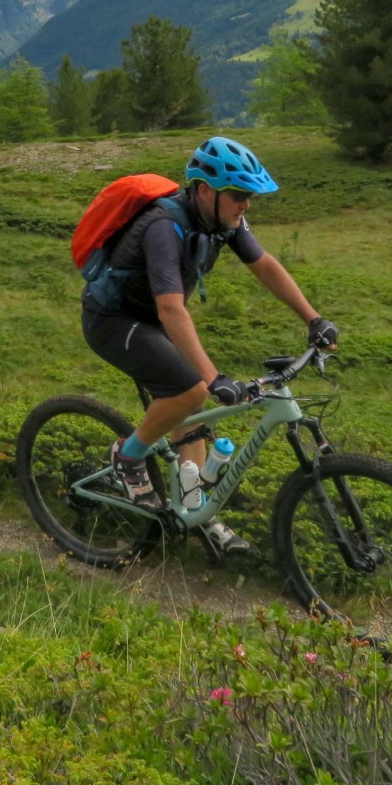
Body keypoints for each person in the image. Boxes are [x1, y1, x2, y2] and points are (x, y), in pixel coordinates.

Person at [80, 136, 338, 553]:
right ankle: (127, 457)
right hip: (113, 321)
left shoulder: (221, 220)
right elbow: (170, 308)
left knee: (195, 411)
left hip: (151, 320)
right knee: (191, 389)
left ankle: (195, 509)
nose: (246, 205)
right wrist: (213, 375)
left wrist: (314, 318)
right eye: (239, 195)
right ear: (204, 190)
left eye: (249, 196)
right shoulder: (165, 226)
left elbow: (265, 265)